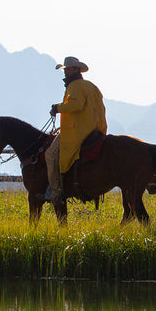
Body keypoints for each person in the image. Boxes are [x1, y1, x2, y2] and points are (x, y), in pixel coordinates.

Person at [45, 56, 108, 204]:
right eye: (65, 69)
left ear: (77, 69)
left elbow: (76, 105)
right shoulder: (91, 86)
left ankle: (55, 190)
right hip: (95, 129)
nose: (66, 72)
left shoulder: (74, 86)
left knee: (50, 154)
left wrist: (57, 108)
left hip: (78, 132)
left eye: (69, 69)